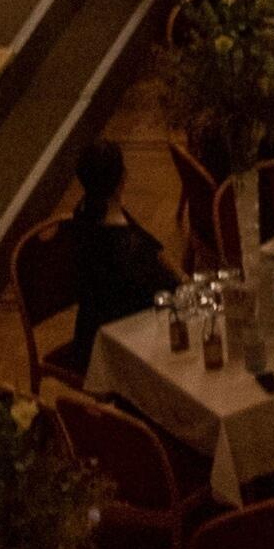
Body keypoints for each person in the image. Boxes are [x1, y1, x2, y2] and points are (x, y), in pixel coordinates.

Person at [60, 135, 171, 377]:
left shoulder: (84, 214)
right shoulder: (125, 245)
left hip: (89, 334)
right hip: (117, 349)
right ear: (123, 178)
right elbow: (159, 292)